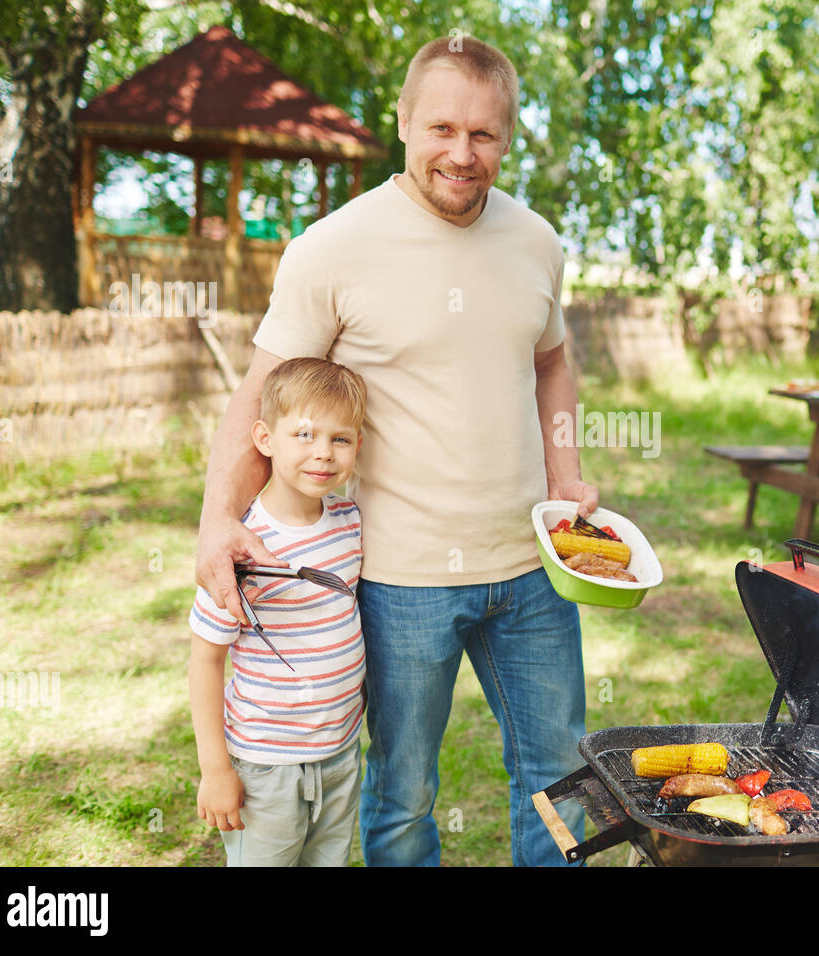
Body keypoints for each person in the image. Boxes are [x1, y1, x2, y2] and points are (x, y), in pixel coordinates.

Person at [192, 36, 595, 867]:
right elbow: (258, 397)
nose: (461, 152)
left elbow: (551, 359)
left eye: (483, 135)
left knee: (559, 774)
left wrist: (567, 473)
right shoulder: (333, 249)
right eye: (441, 127)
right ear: (404, 121)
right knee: (405, 788)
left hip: (534, 564)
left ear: (508, 138)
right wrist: (214, 523)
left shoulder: (537, 242)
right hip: (402, 576)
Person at [188, 357, 368, 866]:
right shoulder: (242, 548)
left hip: (338, 754)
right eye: (305, 434)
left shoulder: (349, 521)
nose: (323, 454)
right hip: (266, 767)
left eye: (341, 439)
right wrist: (216, 769)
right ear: (265, 439)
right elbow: (205, 660)